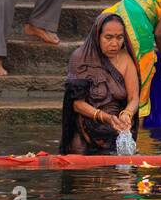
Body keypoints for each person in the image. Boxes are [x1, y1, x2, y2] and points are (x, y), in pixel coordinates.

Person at [59, 11, 139, 154]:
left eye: (119, 38)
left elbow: (134, 97)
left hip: (117, 127)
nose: (114, 43)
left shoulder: (126, 59)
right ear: (98, 36)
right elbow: (77, 104)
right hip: (86, 128)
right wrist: (105, 118)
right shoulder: (80, 58)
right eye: (108, 37)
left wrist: (126, 114)